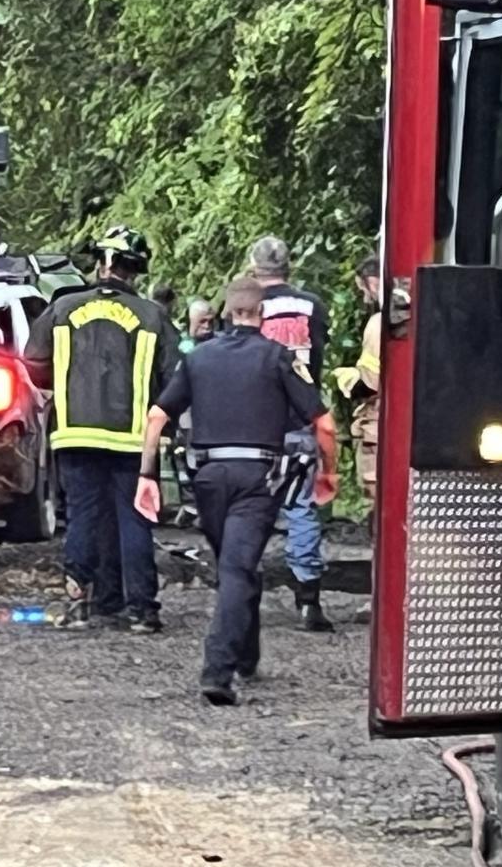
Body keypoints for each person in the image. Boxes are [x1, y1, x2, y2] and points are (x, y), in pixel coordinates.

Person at [135, 277, 337, 704]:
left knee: (236, 565)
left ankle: (246, 656)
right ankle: (217, 671)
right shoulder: (276, 358)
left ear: (226, 312)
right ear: (262, 315)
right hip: (256, 480)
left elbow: (156, 417)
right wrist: (327, 475)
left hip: (207, 479)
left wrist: (147, 476)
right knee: (237, 570)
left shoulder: (198, 358)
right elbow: (324, 423)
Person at [24, 225, 179, 633]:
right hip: (132, 437)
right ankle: (142, 611)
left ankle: (80, 605)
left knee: (82, 518)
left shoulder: (62, 308)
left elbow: (34, 362)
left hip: (74, 432)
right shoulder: (152, 316)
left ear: (100, 264)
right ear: (136, 270)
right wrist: (167, 427)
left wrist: (67, 386)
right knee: (135, 518)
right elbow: (173, 378)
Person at [246, 235, 334, 630]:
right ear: (289, 265)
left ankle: (243, 594)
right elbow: (318, 354)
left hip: (255, 423)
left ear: (254, 266)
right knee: (301, 507)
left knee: (251, 509)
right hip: (300, 418)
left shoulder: (246, 304)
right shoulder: (311, 305)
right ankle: (308, 599)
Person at [331, 255, 382, 509]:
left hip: (378, 422)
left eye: (364, 290)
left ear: (373, 283)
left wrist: (350, 380)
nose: (365, 299)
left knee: (377, 495)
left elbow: (372, 382)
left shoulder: (378, 324)